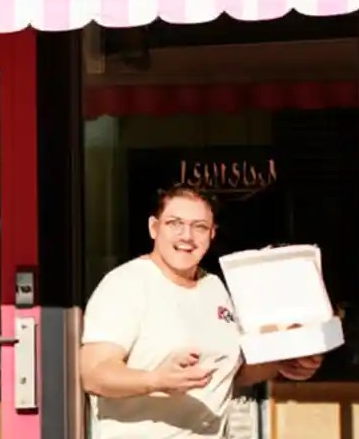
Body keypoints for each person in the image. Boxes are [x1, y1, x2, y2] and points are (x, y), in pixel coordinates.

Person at [80, 184, 324, 438]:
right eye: (175, 223)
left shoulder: (214, 287)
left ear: (212, 234)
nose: (187, 236)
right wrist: (156, 380)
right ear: (154, 228)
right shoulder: (126, 284)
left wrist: (284, 360)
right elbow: (94, 374)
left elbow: (232, 370)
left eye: (199, 227)